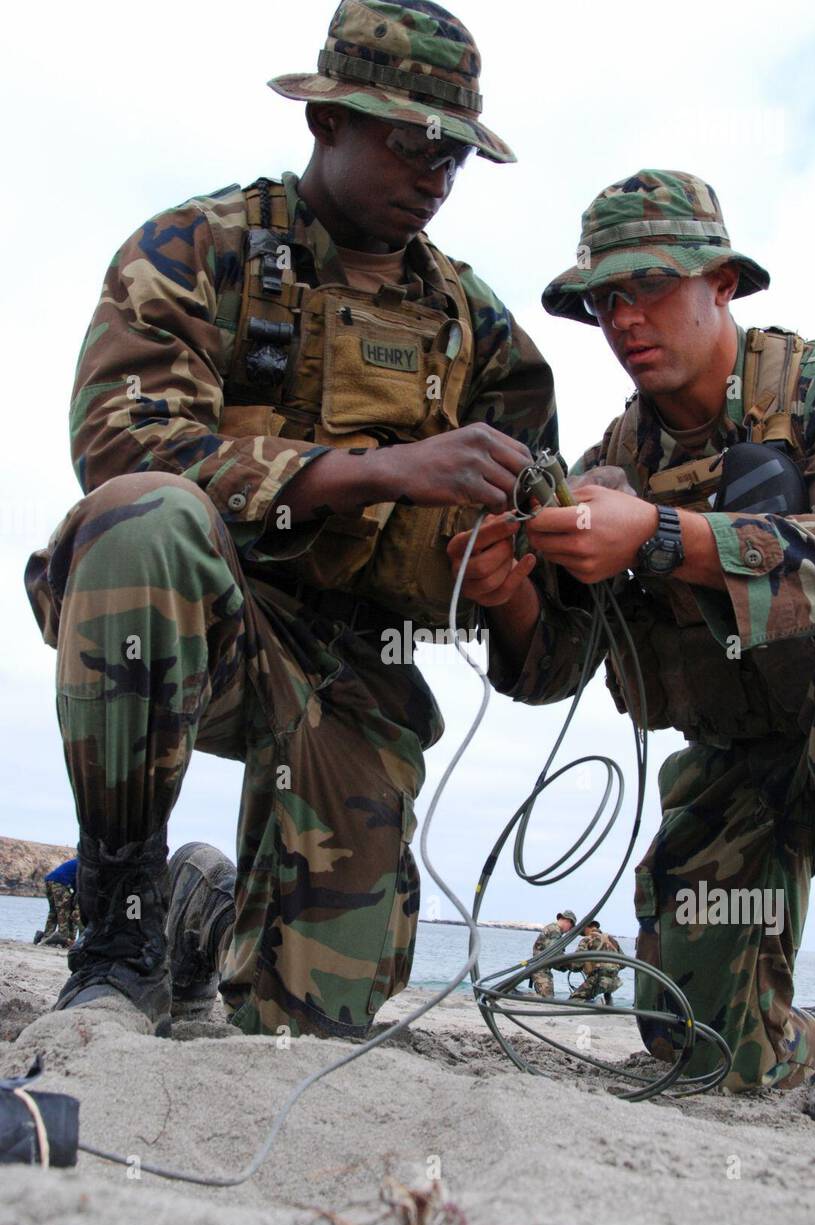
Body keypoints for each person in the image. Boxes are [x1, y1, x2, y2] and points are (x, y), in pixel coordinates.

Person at [24, 0, 590, 1042]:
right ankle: (118, 933)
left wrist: (510, 588)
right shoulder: (201, 250)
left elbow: (550, 655)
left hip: (360, 676)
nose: (437, 174)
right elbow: (121, 449)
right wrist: (370, 472)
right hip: (210, 618)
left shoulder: (484, 336)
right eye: (412, 140)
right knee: (143, 519)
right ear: (327, 122)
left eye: (455, 153)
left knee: (310, 1024)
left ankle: (205, 923)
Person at [452, 169, 815, 1125]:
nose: (624, 318)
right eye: (606, 299)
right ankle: (807, 1033)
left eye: (650, 287)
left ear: (720, 282)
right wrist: (511, 595)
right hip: (744, 764)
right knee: (706, 1049)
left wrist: (662, 537)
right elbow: (557, 665)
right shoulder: (613, 458)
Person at [569, 920, 624, 1005]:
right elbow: (623, 964)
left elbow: (576, 964)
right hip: (615, 983)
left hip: (598, 980)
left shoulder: (587, 939)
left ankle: (596, 1005)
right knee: (606, 992)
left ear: (586, 928)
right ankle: (608, 1007)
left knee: (574, 1000)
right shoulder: (612, 940)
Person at [530, 910, 577, 998]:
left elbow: (551, 954)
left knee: (547, 997)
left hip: (541, 968)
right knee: (547, 998)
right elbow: (555, 953)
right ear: (567, 921)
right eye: (570, 927)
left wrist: (562, 966)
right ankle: (520, 996)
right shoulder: (555, 930)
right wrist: (569, 964)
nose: (569, 930)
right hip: (540, 969)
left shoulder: (553, 929)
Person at [36, 859, 81, 949]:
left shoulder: (75, 862)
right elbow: (78, 884)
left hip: (49, 881)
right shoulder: (83, 864)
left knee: (53, 911)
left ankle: (47, 936)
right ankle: (62, 939)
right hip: (60, 883)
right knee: (63, 912)